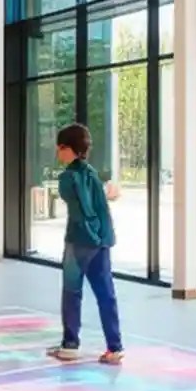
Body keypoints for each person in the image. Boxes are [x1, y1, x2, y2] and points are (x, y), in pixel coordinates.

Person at [47, 123, 124, 366]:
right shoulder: (92, 173)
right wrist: (100, 235)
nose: (58, 152)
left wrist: (89, 232)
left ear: (69, 149)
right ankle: (115, 346)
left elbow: (82, 210)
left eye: (60, 147)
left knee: (72, 291)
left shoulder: (67, 178)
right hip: (102, 240)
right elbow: (99, 207)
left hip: (79, 240)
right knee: (105, 292)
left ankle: (70, 344)